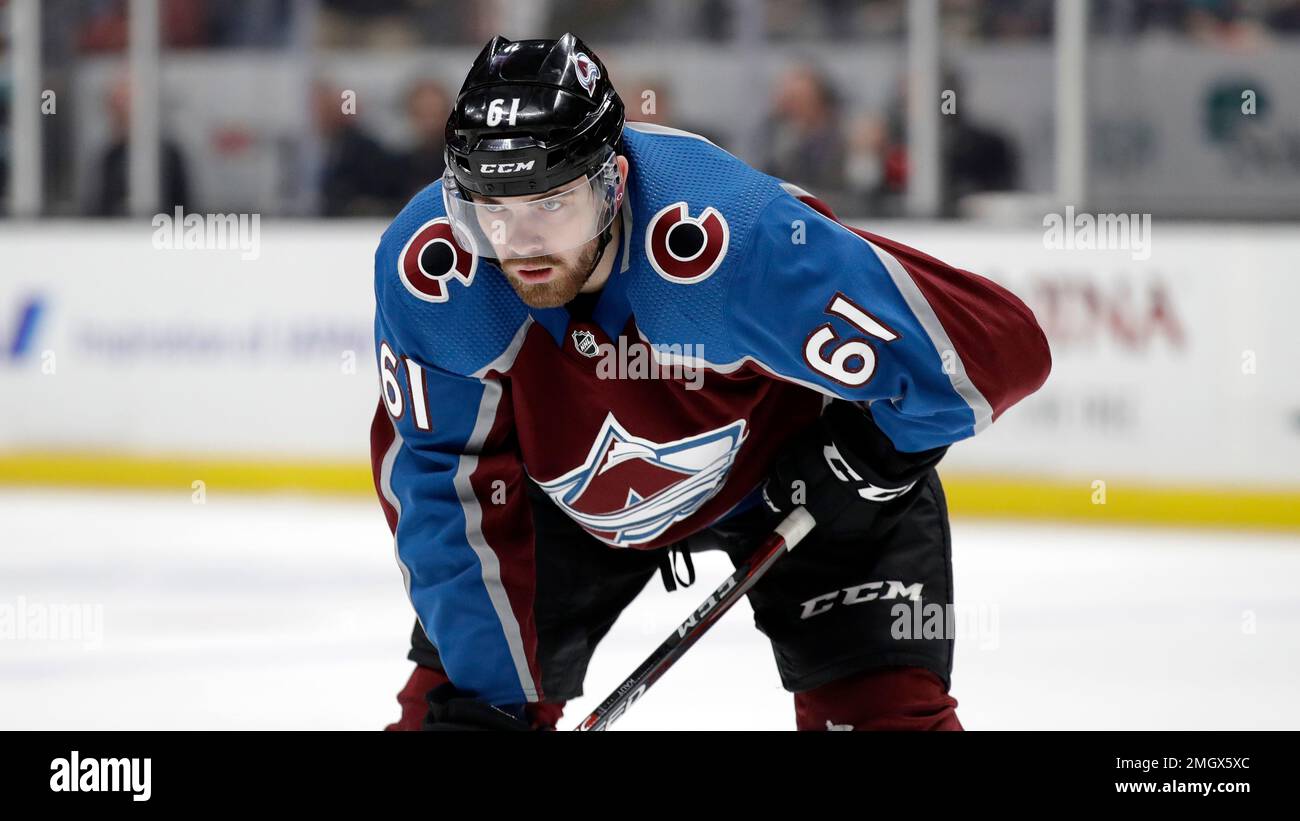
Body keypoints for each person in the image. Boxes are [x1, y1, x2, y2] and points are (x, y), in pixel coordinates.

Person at [371, 34, 1051, 731]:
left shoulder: (727, 241)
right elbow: (441, 477)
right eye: (494, 211)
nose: (521, 245)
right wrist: (490, 695)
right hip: (557, 498)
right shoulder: (436, 271)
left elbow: (995, 349)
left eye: (552, 204)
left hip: (795, 482)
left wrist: (866, 455)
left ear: (613, 182)